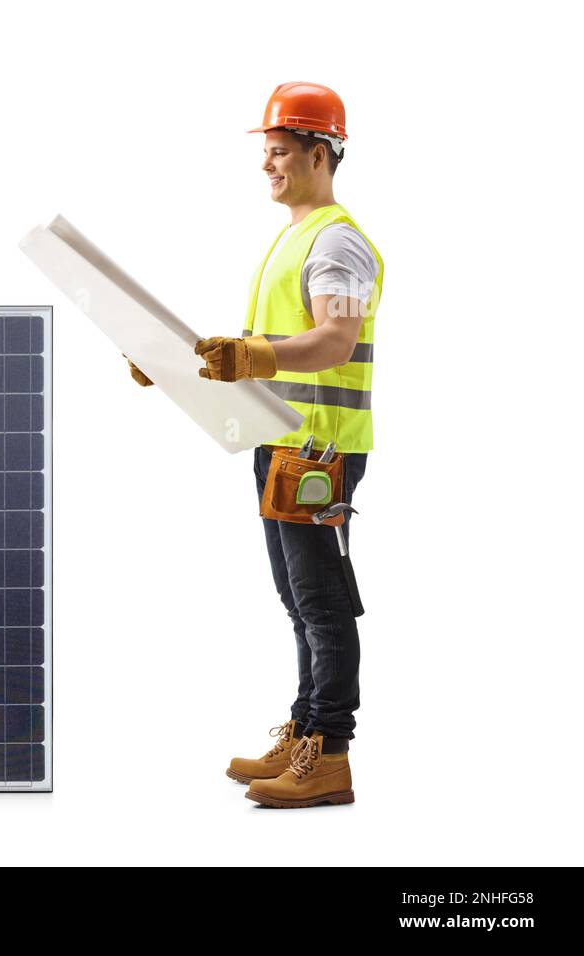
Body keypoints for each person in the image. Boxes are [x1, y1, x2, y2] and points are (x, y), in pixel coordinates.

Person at [130, 82, 382, 808]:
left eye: (278, 151)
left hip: (320, 452)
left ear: (319, 151)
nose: (267, 165)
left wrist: (252, 358)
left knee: (322, 605)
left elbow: (335, 339)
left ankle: (328, 753)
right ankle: (305, 729)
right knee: (299, 603)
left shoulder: (336, 239)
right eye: (265, 153)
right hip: (284, 446)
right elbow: (268, 347)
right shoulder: (297, 235)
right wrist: (186, 366)